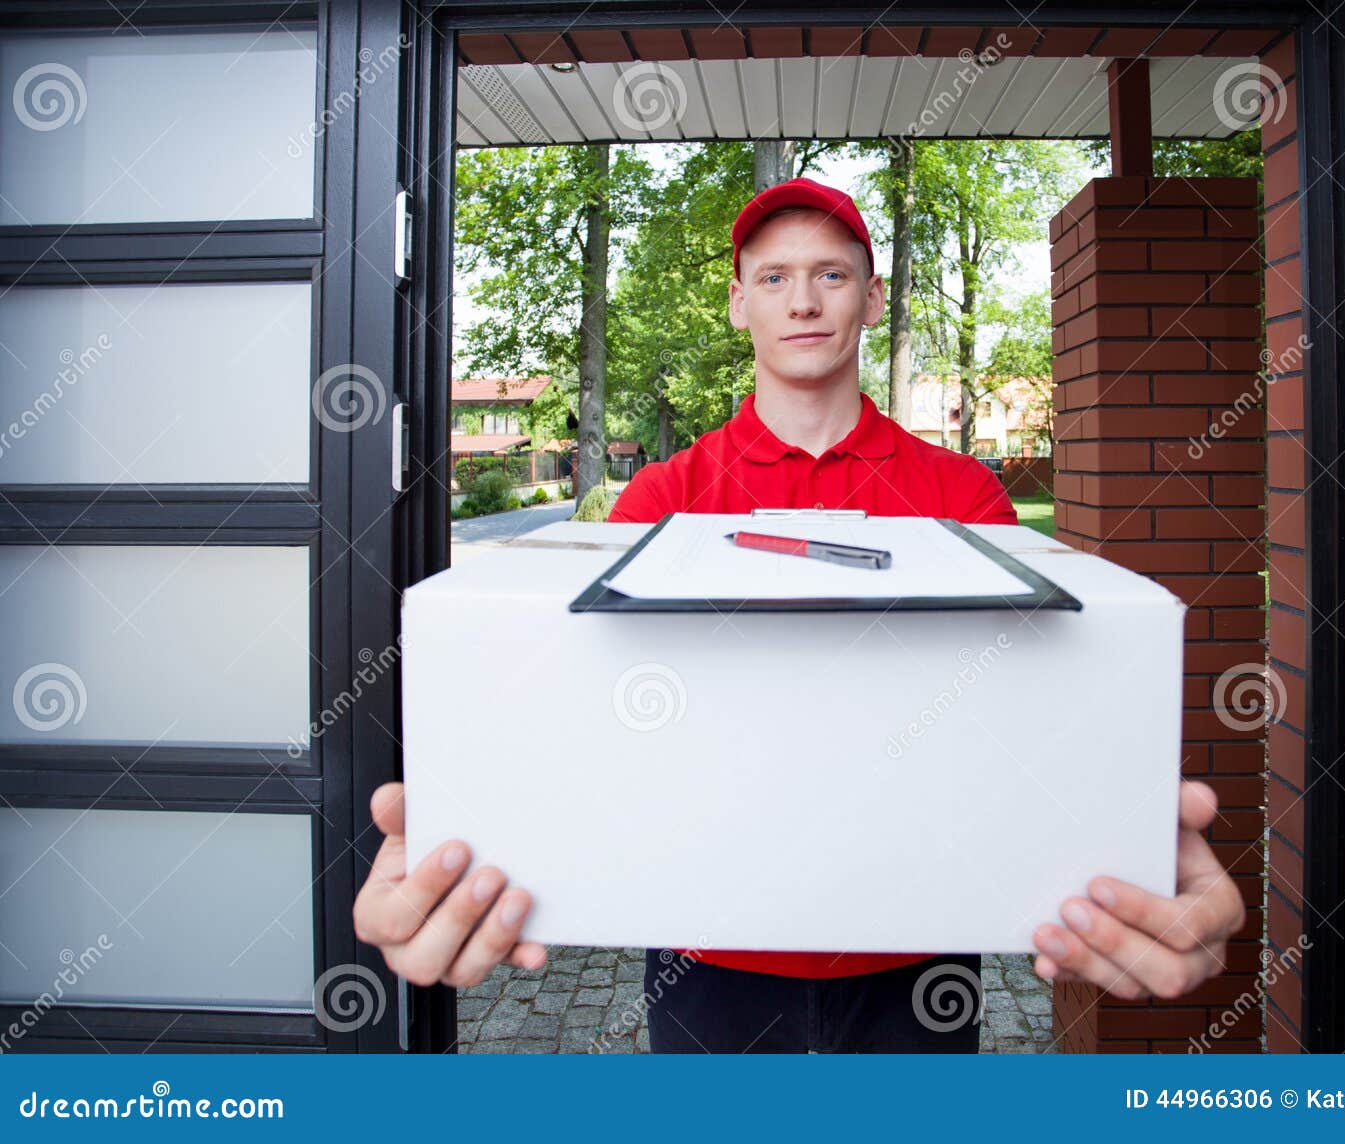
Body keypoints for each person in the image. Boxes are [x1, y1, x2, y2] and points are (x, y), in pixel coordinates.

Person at [354, 177, 1246, 1053]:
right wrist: (490, 819)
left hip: (918, 939)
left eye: (831, 273)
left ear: (871, 296)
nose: (803, 300)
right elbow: (604, 708)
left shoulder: (961, 493)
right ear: (740, 303)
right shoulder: (666, 496)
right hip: (707, 940)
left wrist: (1098, 822)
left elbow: (1011, 706)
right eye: (774, 278)